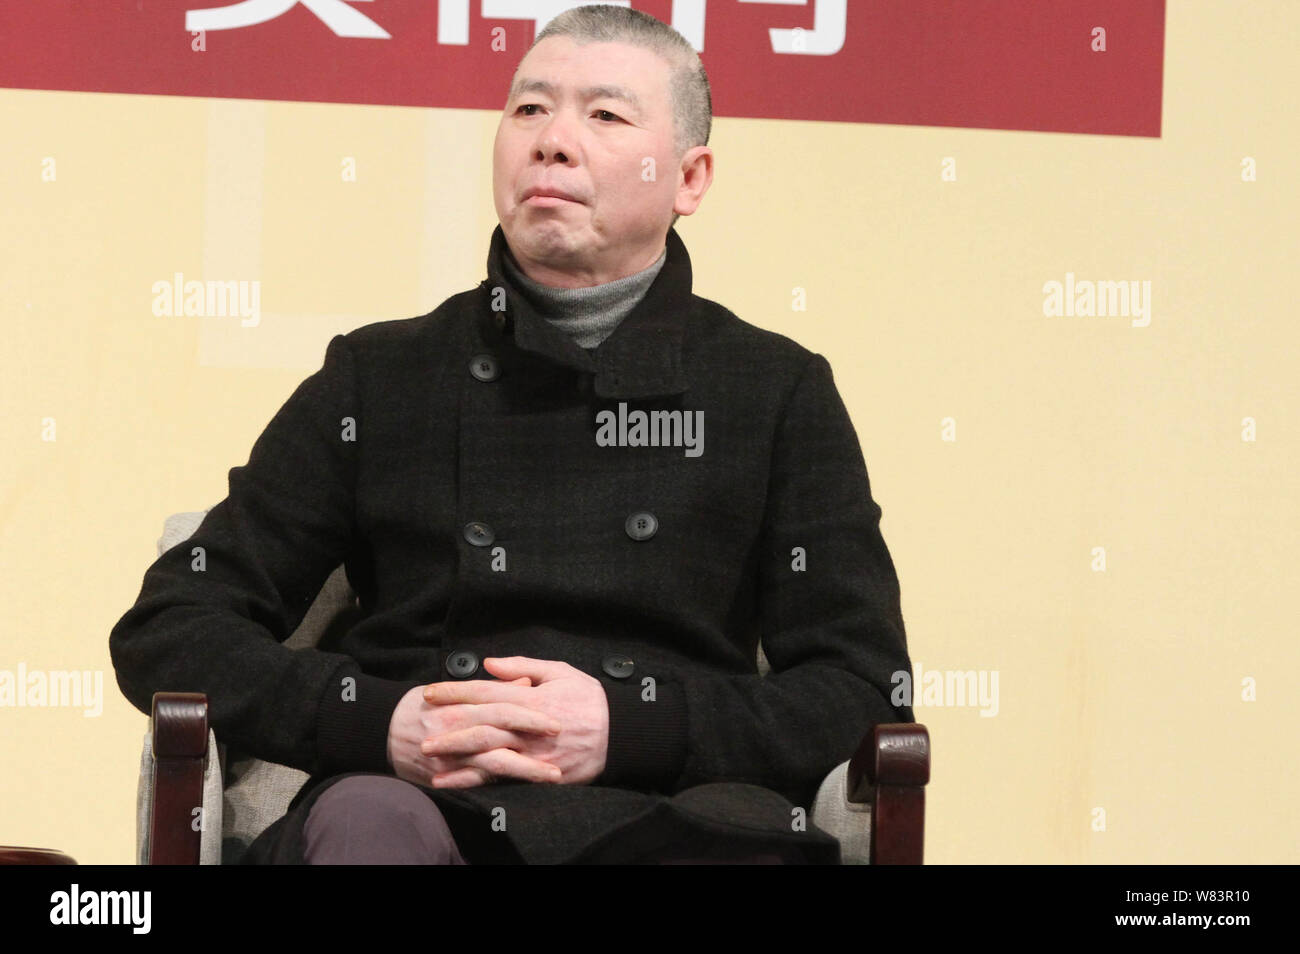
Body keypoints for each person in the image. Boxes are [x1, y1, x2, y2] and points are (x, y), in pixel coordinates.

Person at [110, 4, 914, 865]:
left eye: (604, 115)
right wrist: (379, 720)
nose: (552, 140)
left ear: (691, 178)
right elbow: (169, 627)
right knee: (369, 829)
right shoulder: (381, 375)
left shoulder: (775, 390)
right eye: (529, 109)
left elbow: (864, 689)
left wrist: (633, 726)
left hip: (678, 805)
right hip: (421, 800)